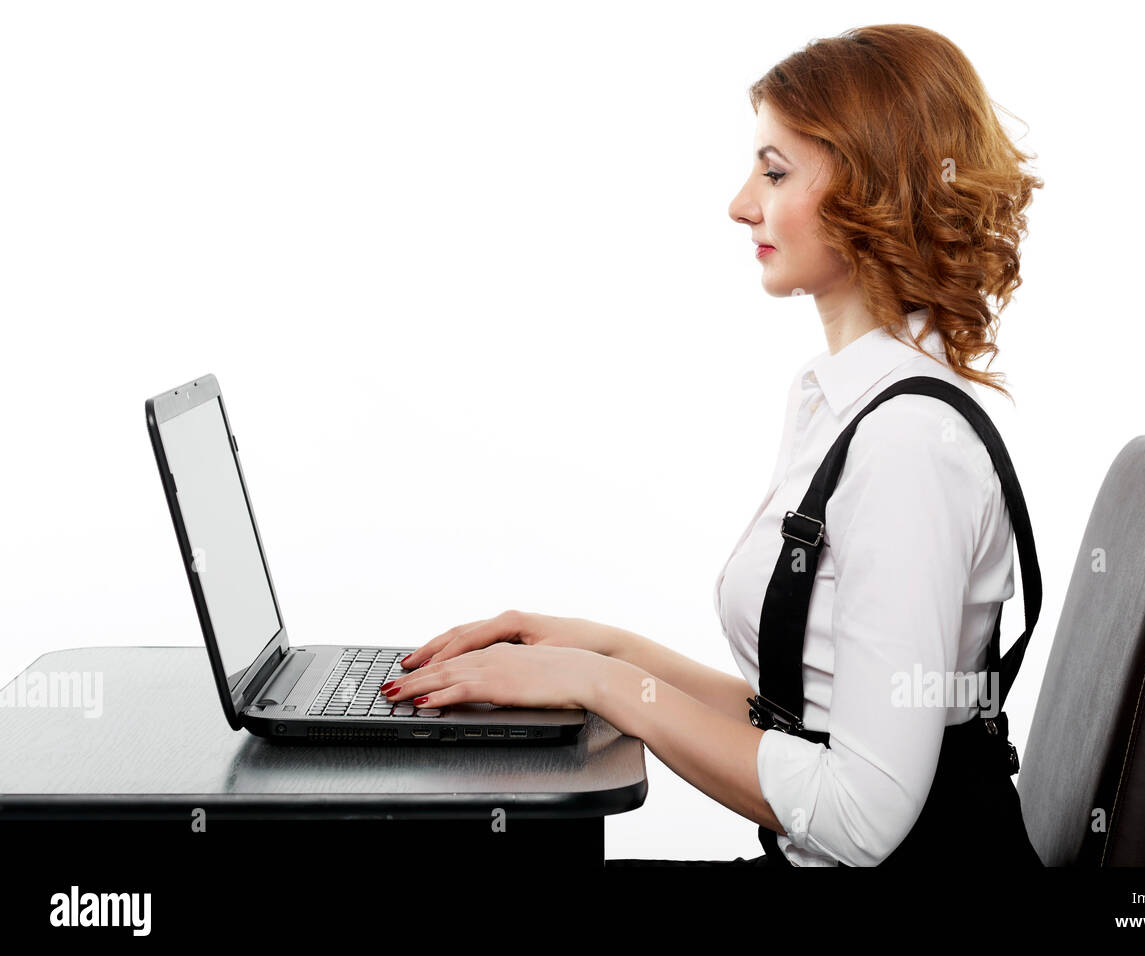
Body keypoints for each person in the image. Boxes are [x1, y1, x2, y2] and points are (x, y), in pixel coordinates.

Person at [381, 23, 1045, 867]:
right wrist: (600, 648)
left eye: (774, 171)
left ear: (873, 188)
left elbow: (861, 816)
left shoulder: (906, 445)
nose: (741, 203)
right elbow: (805, 720)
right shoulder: (844, 404)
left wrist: (604, 685)